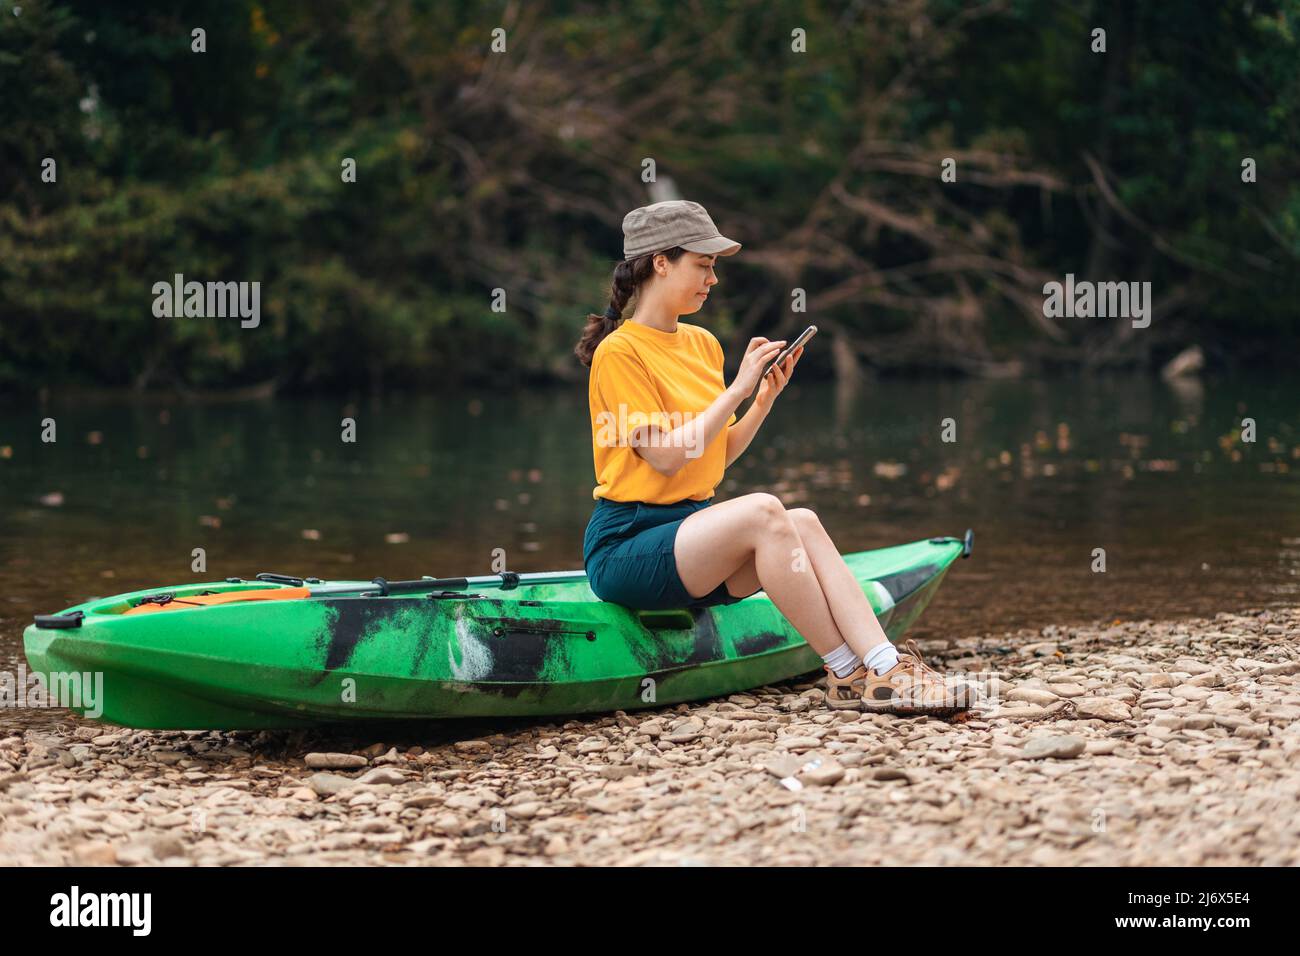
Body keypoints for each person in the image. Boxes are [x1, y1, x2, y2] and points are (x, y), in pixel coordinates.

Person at [574, 200, 970, 715]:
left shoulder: (702, 344)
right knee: (765, 510)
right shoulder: (620, 353)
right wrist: (738, 390)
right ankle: (851, 670)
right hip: (627, 544)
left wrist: (761, 401)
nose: (713, 279)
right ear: (660, 262)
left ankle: (879, 666)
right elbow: (666, 459)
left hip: (689, 535)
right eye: (704, 264)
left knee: (801, 520)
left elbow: (711, 457)